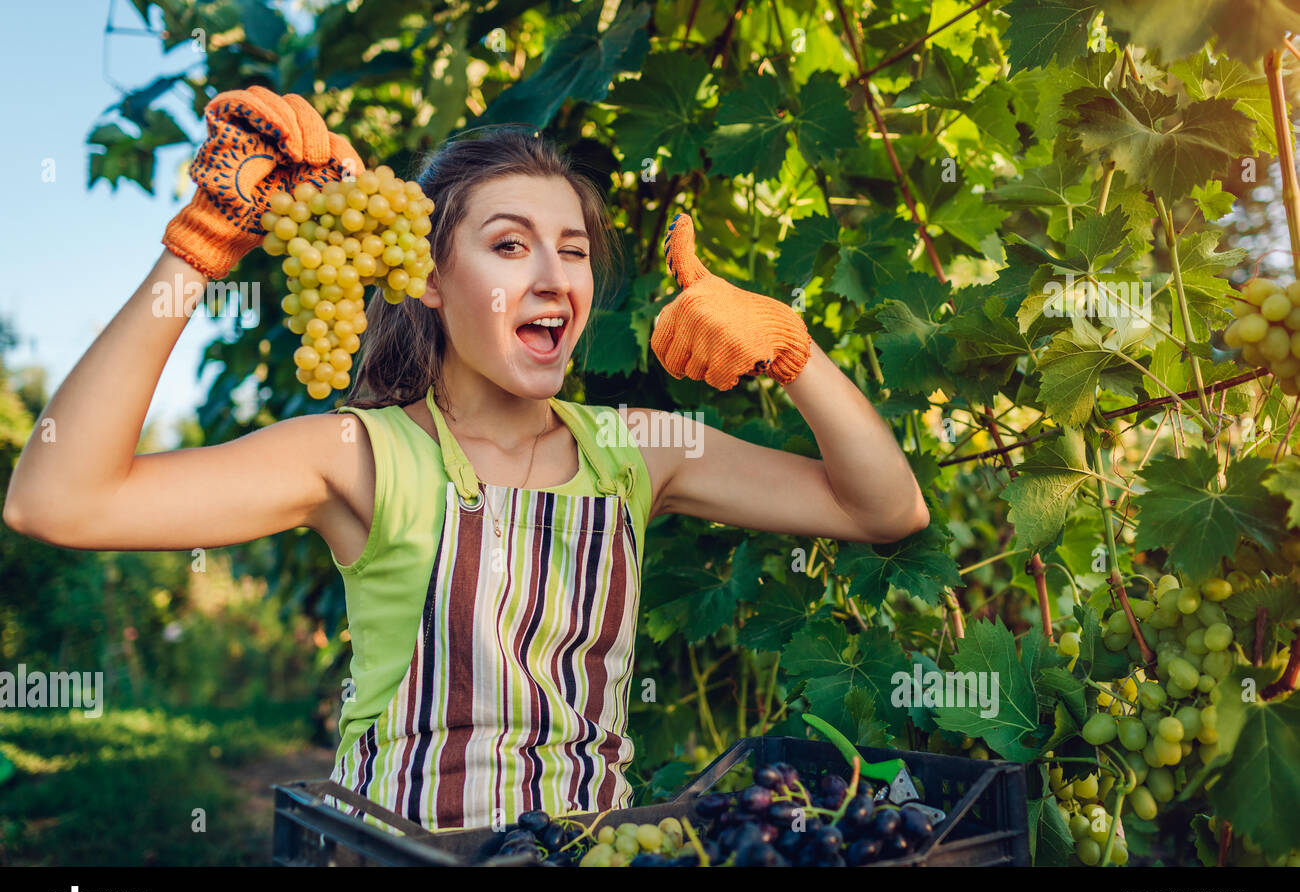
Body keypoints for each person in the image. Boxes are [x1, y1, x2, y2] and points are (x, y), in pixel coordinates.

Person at [2, 87, 930, 835]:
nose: (553, 277)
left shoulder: (638, 455)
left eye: (571, 250)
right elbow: (59, 501)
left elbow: (885, 510)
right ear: (433, 282)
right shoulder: (360, 457)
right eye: (508, 245)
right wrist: (199, 250)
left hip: (590, 857)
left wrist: (794, 354)